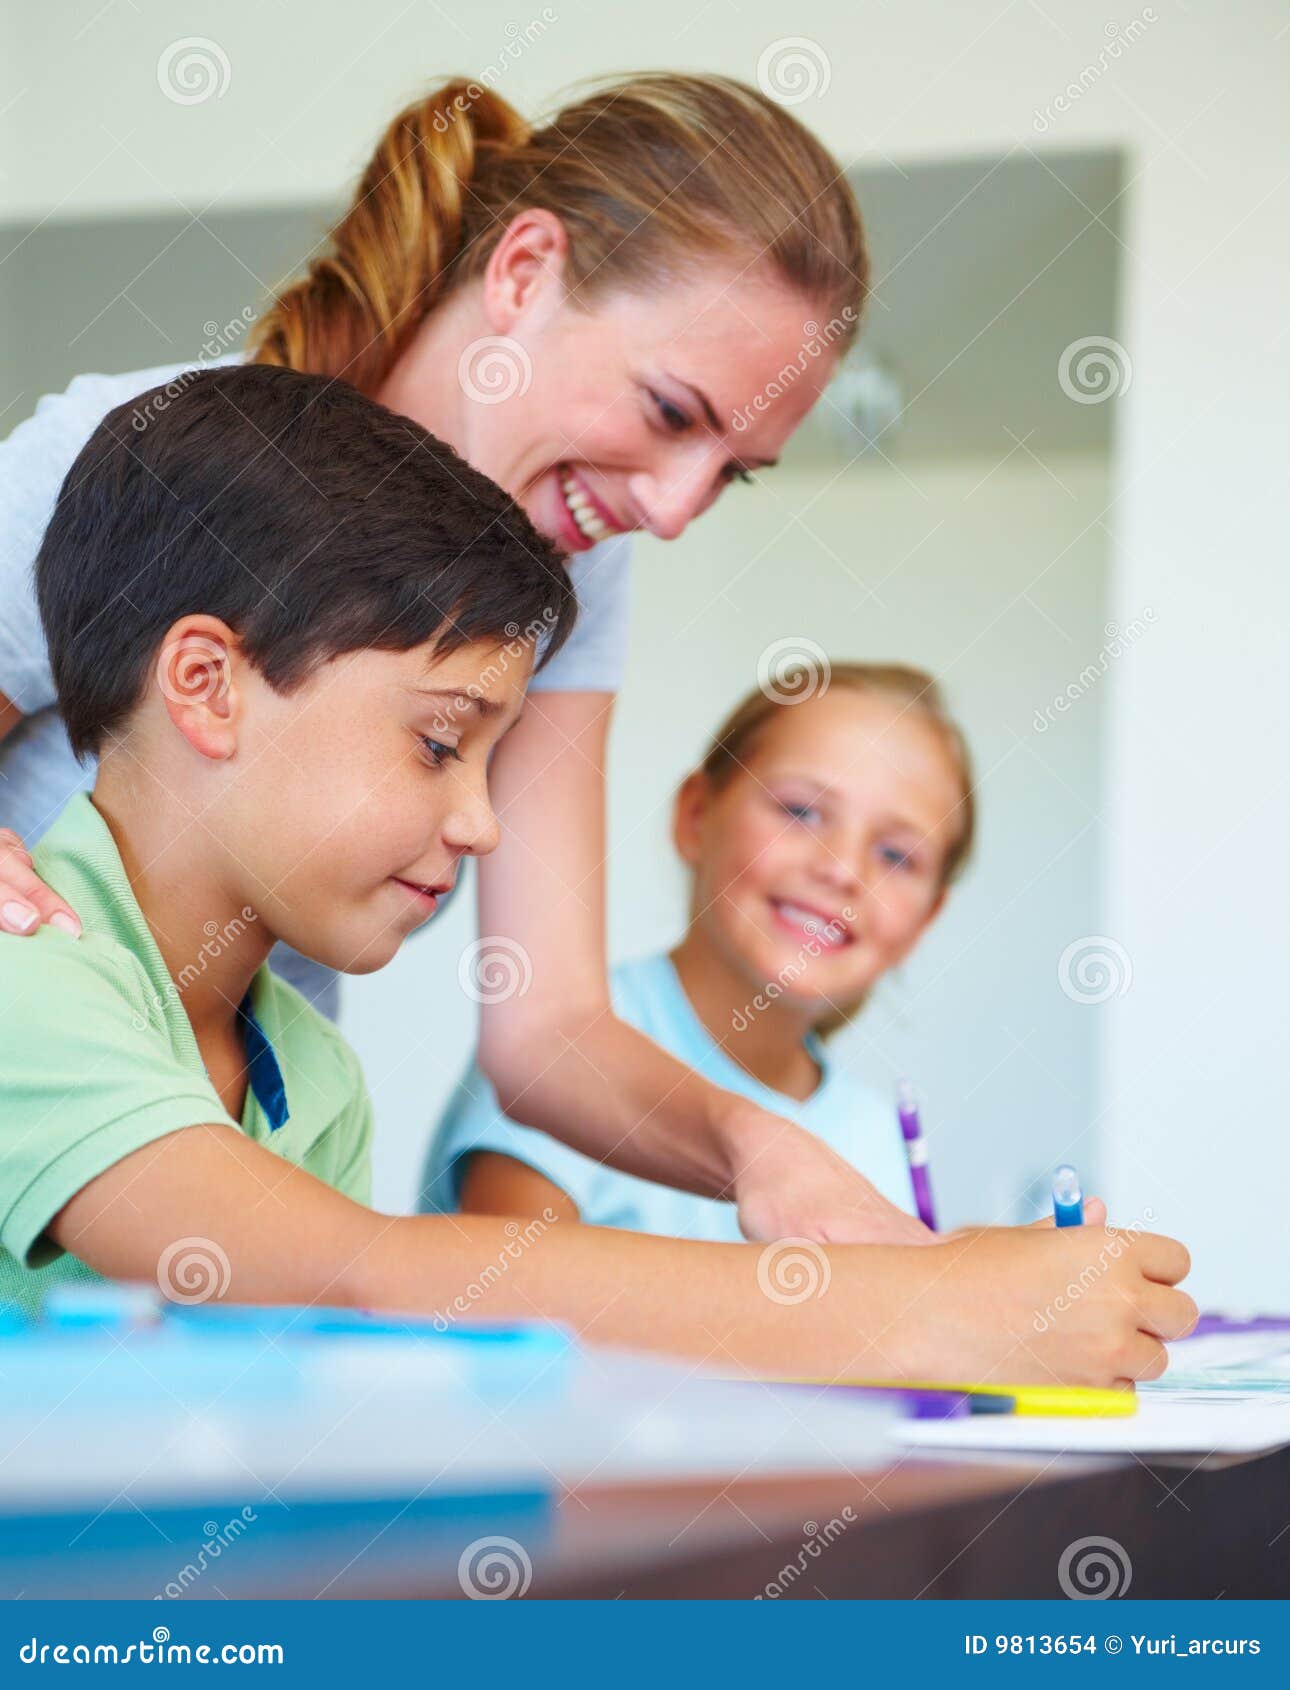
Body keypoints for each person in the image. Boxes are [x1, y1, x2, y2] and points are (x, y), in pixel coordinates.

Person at [0, 362, 1197, 1388]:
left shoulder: (311, 1075)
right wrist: (943, 1310)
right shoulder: (27, 986)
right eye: (436, 743)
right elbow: (349, 1275)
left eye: (490, 758)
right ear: (208, 686)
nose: (482, 825)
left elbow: (313, 1403)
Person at [0, 72, 922, 1245]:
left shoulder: (576, 574)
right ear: (524, 271)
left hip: (252, 1134)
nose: (679, 508)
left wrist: (764, 1152)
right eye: (674, 413)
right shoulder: (138, 471)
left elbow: (548, 1031)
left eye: (732, 470)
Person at [425, 665, 973, 1235]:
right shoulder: (561, 1043)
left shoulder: (881, 1140)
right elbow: (516, 1296)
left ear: (926, 919)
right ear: (695, 815)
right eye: (800, 812)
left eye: (896, 857)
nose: (841, 869)